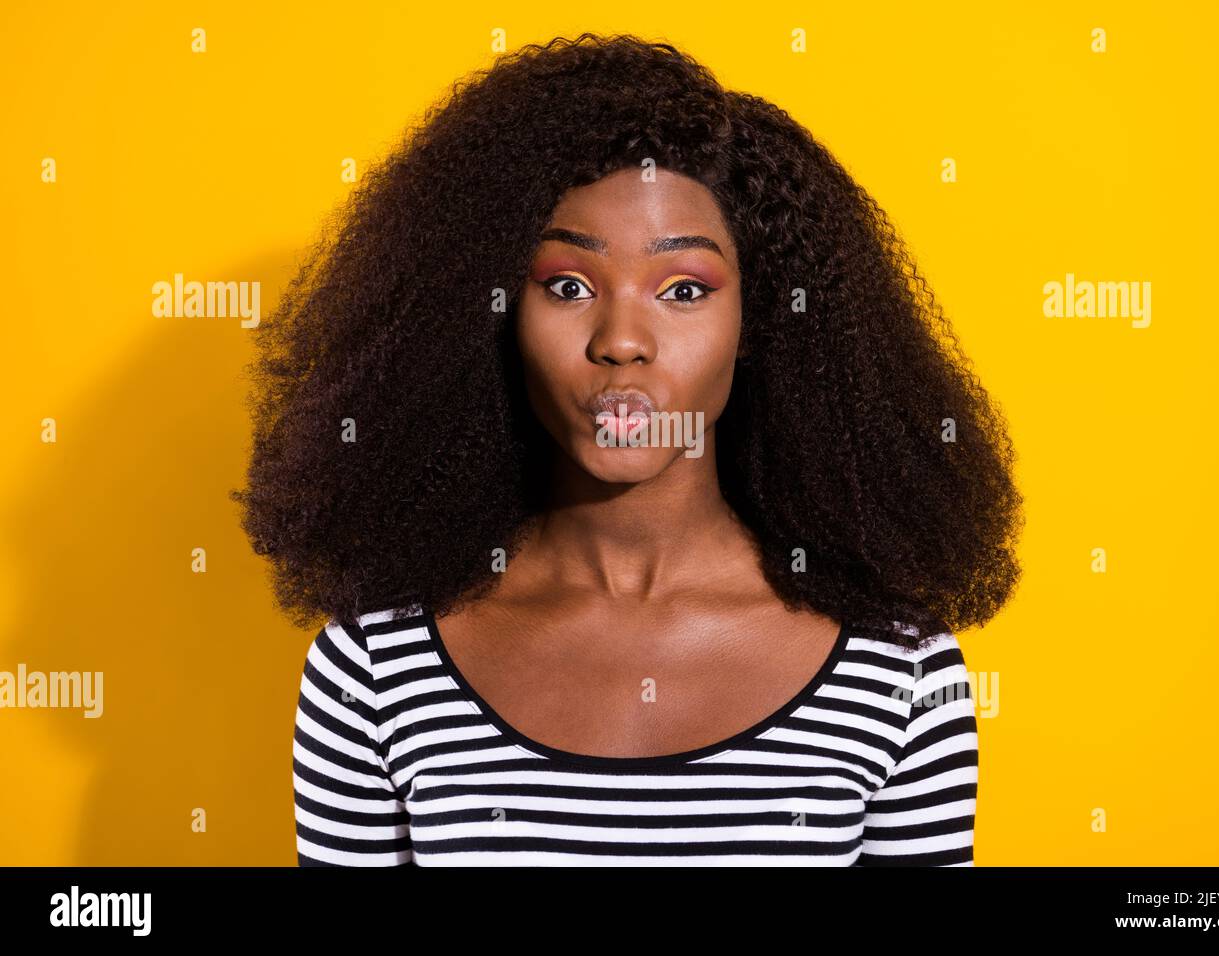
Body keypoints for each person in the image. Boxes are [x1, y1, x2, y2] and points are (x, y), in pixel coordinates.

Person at [233, 32, 1023, 865]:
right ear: (492, 310)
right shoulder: (377, 665)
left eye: (683, 290)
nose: (620, 341)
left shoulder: (897, 669)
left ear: (757, 323)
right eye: (568, 285)